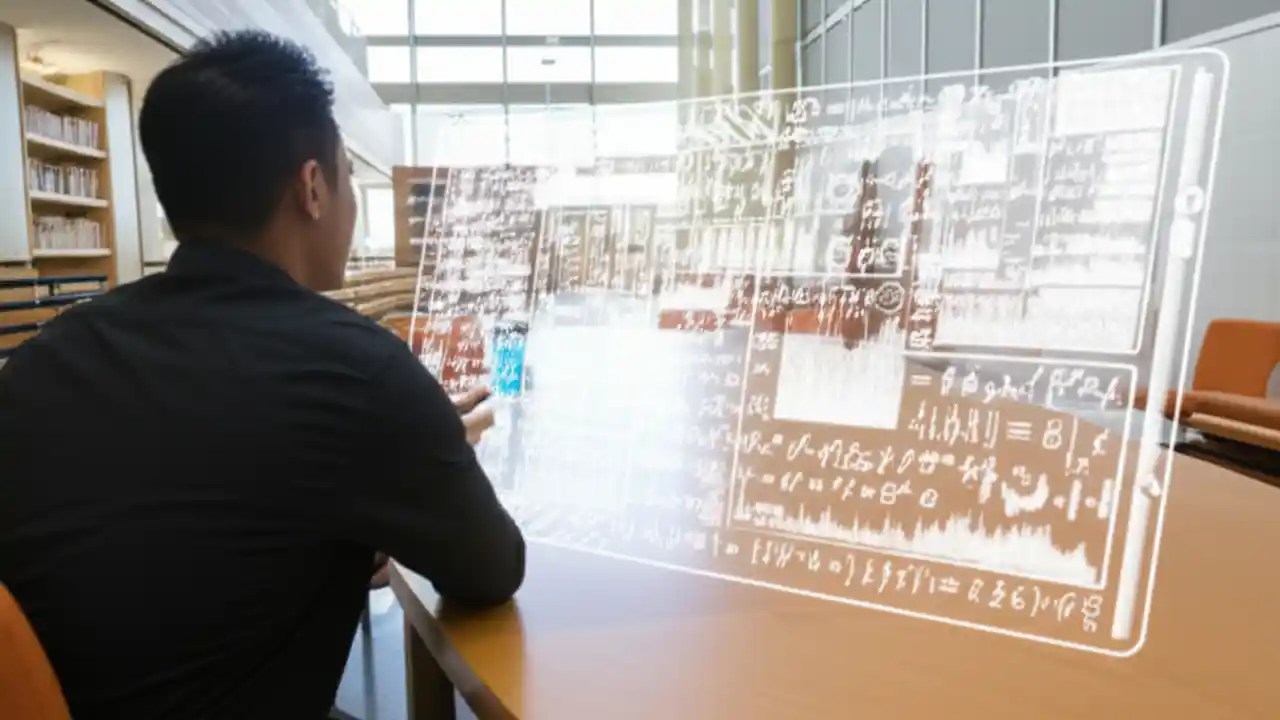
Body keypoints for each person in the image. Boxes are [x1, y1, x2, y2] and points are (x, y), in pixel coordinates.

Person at [0, 31, 524, 719]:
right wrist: (421, 448)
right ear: (312, 187)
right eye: (346, 178)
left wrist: (392, 461)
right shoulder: (356, 368)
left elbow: (184, 516)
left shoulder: (44, 359)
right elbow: (490, 568)